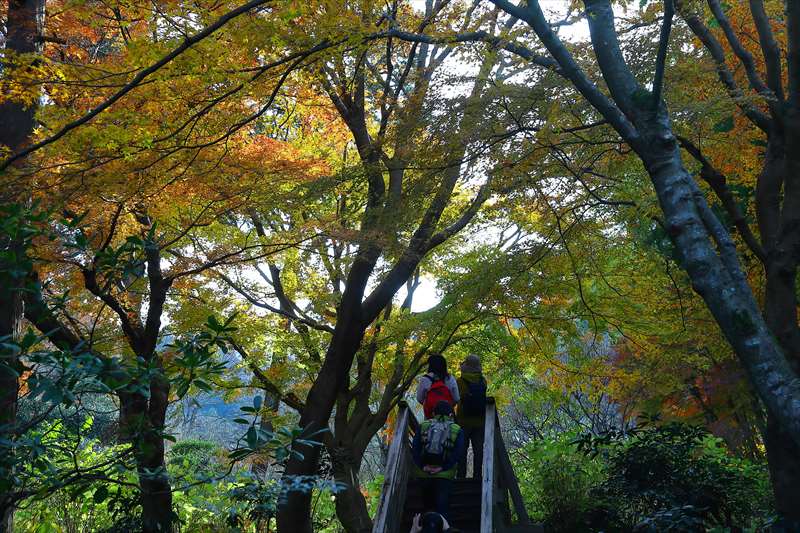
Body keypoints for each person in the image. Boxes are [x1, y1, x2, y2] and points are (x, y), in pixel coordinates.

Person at [412, 400, 465, 522]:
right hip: (444, 476)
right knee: (443, 510)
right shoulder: (457, 429)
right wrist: (443, 467)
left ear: (434, 413)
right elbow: (458, 453)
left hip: (424, 475)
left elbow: (415, 450)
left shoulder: (423, 426)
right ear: (450, 415)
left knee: (427, 509)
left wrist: (422, 467)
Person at [456, 354, 487, 479]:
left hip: (463, 421)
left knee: (462, 450)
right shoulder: (483, 381)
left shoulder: (459, 381)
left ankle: (461, 475)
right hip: (480, 420)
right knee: (478, 450)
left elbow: (456, 398)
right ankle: (478, 476)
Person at [416, 354, 460, 419]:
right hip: (448, 418)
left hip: (430, 417)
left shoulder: (425, 379)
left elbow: (419, 399)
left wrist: (430, 404)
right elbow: (456, 398)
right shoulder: (450, 378)